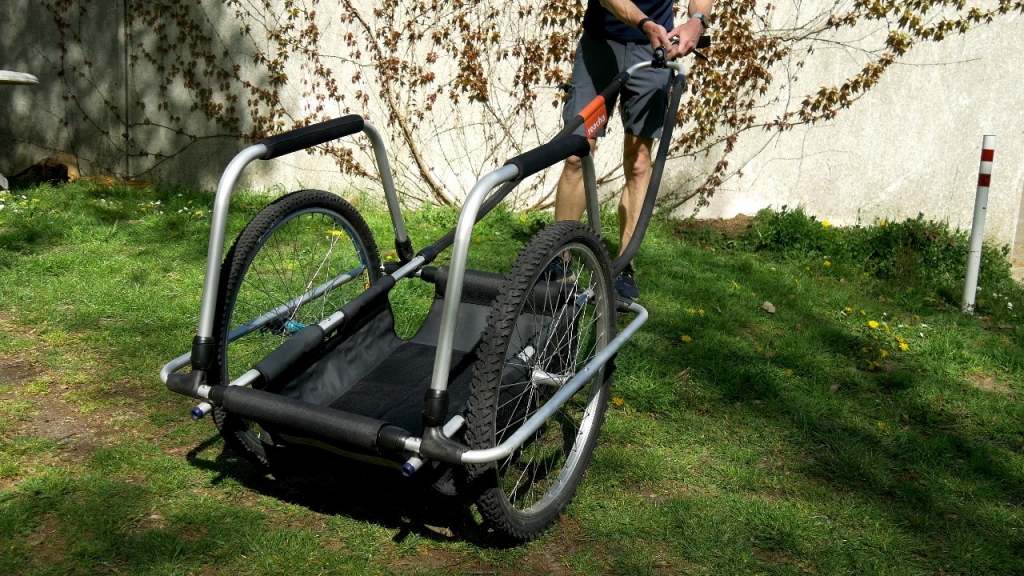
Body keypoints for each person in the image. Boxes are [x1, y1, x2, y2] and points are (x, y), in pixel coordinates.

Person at [555, 0, 712, 300]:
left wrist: (698, 21)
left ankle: (623, 268)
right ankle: (558, 262)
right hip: (601, 44)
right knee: (576, 153)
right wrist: (646, 24)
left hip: (653, 50)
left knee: (639, 162)